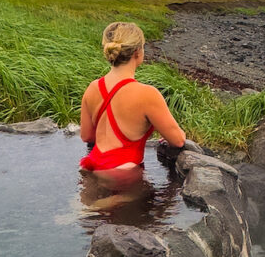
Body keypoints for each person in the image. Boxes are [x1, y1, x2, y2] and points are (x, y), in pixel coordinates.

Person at [80, 21, 187, 174]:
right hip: (123, 175)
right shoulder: (147, 94)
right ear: (137, 52)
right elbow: (178, 140)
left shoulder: (92, 87)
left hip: (92, 167)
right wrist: (179, 134)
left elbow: (87, 136)